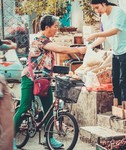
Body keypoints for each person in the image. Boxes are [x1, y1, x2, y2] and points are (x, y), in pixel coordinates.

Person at [13, 15, 86, 149]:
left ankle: (49, 139)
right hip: (30, 79)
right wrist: (78, 49)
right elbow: (62, 49)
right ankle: (9, 138)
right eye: (55, 26)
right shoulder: (40, 40)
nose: (57, 29)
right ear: (47, 27)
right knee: (24, 107)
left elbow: (46, 63)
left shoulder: (47, 41)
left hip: (44, 80)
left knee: (49, 109)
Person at [86, 0, 126, 105]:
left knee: (124, 81)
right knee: (115, 81)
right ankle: (117, 106)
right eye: (94, 8)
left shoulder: (118, 12)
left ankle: (125, 106)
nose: (97, 11)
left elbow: (115, 30)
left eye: (97, 7)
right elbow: (104, 37)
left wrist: (96, 34)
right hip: (116, 52)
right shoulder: (104, 17)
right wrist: (90, 46)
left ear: (104, 4)